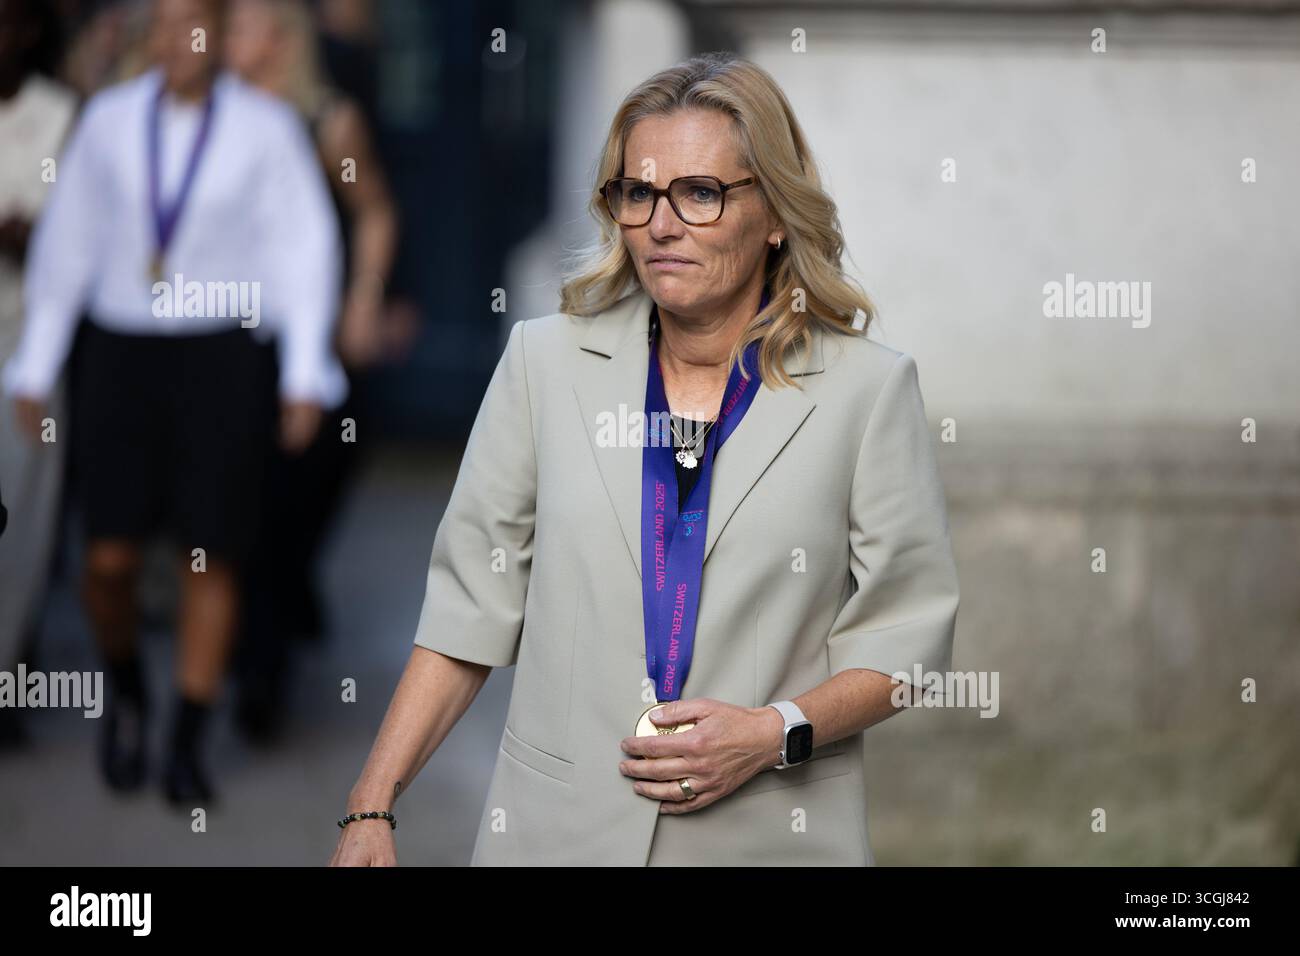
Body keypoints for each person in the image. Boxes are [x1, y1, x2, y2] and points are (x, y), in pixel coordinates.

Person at [332, 52, 960, 866]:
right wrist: (370, 808)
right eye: (639, 192)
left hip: (769, 837)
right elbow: (465, 613)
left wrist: (775, 734)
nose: (663, 225)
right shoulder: (542, 364)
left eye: (700, 194)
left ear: (774, 213)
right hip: (554, 837)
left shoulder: (866, 391)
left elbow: (907, 648)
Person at [2, 0, 345, 804]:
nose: (175, 39)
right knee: (107, 558)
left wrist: (303, 373)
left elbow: (305, 248)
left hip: (222, 355)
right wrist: (35, 364)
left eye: (192, 22)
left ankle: (187, 737)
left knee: (211, 553)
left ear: (220, 35)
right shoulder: (110, 122)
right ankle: (127, 691)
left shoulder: (266, 127)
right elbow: (67, 245)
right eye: (161, 23)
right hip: (120, 352)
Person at [224, 0, 399, 742]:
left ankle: (263, 662)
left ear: (282, 38)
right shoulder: (205, 122)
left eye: (244, 22)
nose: (228, 36)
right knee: (237, 508)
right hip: (222, 342)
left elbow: (376, 211)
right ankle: (250, 651)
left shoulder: (327, 119)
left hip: (306, 341)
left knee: (296, 494)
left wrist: (362, 304)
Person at [0, 0, 78, 750]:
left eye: (18, 22)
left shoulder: (60, 113)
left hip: (28, 342)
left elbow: (64, 236)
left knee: (23, 518)